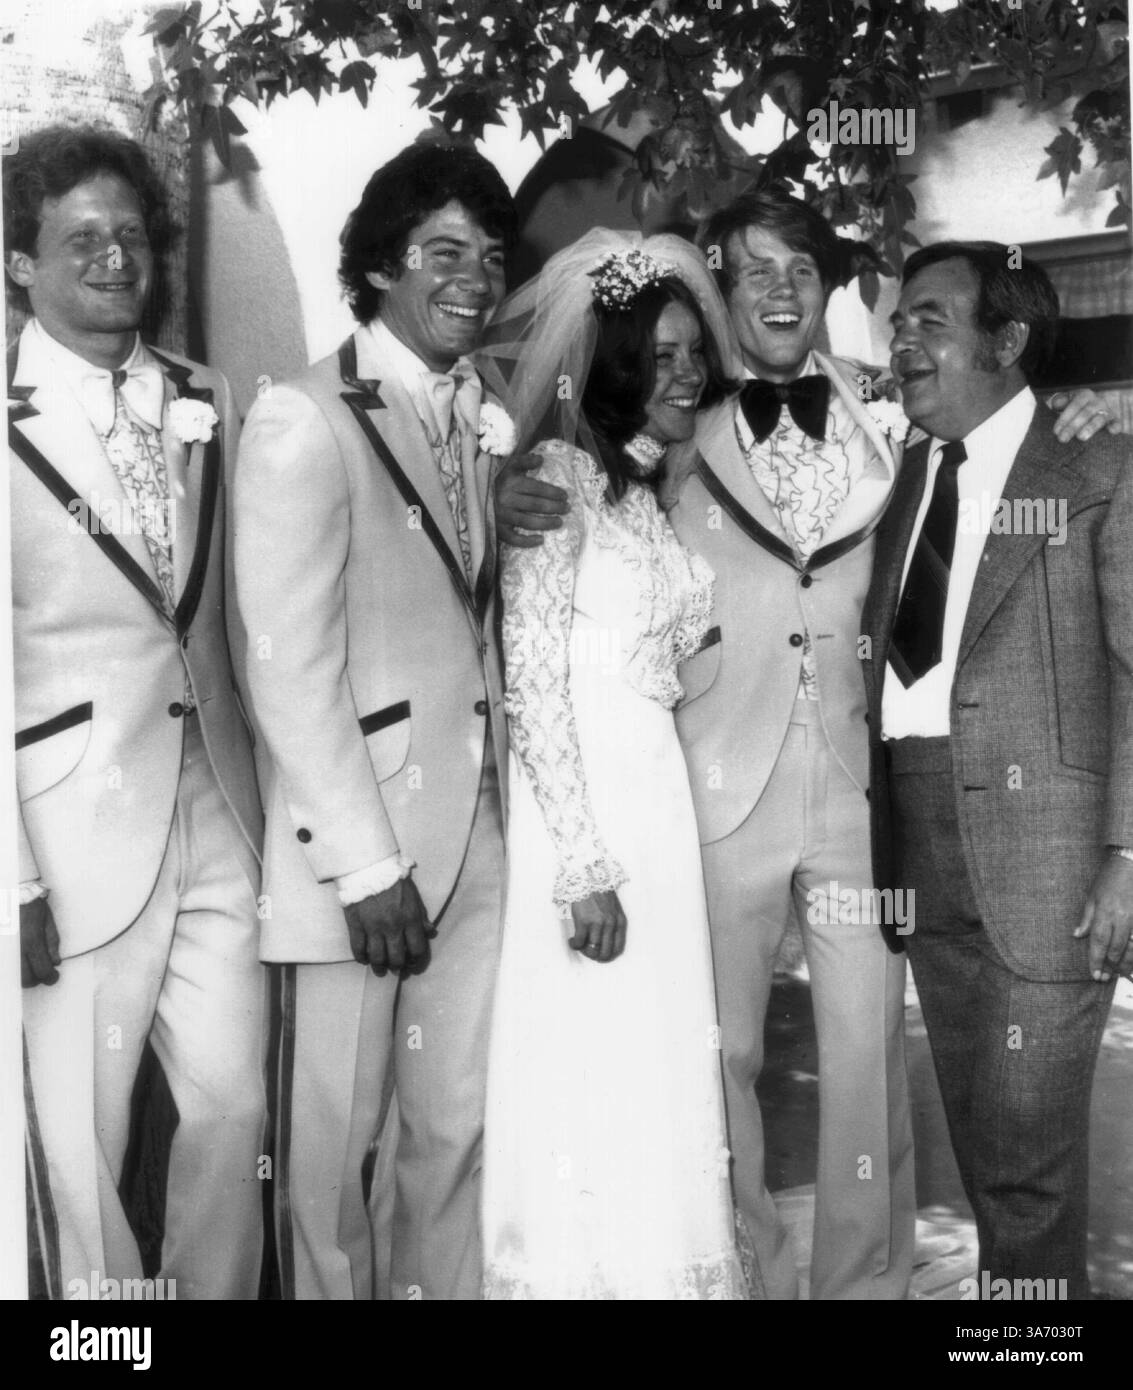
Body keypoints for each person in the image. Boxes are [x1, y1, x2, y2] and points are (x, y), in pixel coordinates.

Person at [496, 191, 1113, 1300]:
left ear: (828, 289)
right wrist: (508, 491)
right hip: (706, 784)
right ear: (721, 292)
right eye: (751, 270)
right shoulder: (671, 419)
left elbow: (1007, 424)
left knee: (868, 1055)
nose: (777, 290)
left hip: (864, 791)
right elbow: (575, 475)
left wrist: (1082, 406)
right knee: (719, 1052)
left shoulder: (893, 409)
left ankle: (865, 1284)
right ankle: (743, 1272)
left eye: (799, 269)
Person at [232, 143, 515, 1301]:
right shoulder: (302, 416)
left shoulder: (485, 408)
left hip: (483, 832)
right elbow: (287, 667)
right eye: (444, 252)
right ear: (382, 264)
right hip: (362, 855)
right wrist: (362, 866)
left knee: (453, 1133)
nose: (474, 279)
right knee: (330, 1162)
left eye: (490, 257)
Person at [7, 125, 266, 1299]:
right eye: (80, 240)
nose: (115, 258)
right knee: (82, 1146)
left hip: (218, 808)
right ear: (20, 263)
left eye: (129, 235)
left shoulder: (206, 396)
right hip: (69, 833)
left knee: (236, 1106)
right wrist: (11, 880)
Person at [477, 230, 748, 1299]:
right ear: (613, 367)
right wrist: (581, 865)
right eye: (662, 357)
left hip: (656, 808)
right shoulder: (555, 484)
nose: (687, 375)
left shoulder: (636, 489)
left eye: (694, 354)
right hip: (587, 823)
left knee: (658, 1060)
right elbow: (534, 684)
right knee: (591, 1065)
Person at [862, 241, 1133, 1300]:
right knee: (983, 1148)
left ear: (1006, 339)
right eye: (897, 321)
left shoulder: (1098, 466)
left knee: (1027, 1161)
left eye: (929, 320)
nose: (901, 340)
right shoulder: (900, 477)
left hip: (1050, 864)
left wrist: (1126, 855)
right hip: (921, 850)